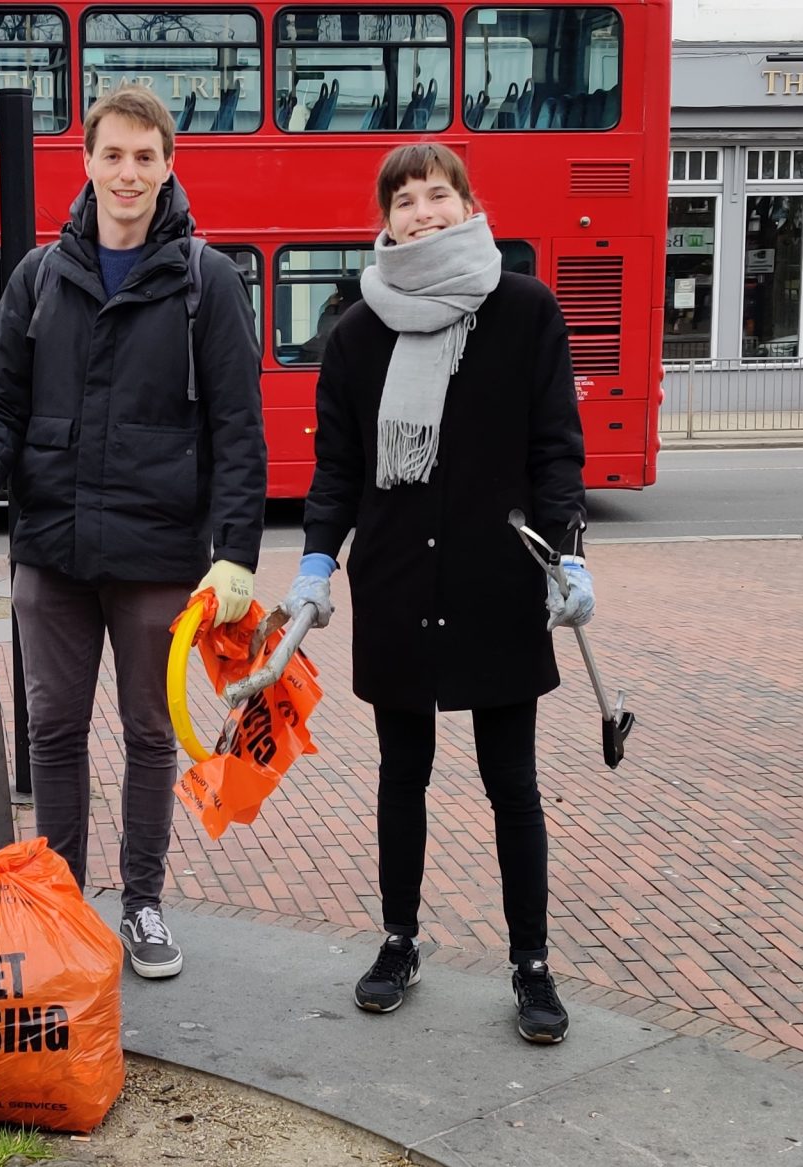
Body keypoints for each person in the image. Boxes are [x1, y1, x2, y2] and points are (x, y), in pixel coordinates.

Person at [0, 87, 265, 981]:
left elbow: (239, 423)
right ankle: (62, 901)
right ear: (85, 162)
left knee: (152, 729)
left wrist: (235, 550)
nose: (127, 173)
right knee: (53, 730)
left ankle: (144, 902)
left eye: (144, 158)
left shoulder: (207, 280)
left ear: (168, 166)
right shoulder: (41, 277)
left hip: (160, 554)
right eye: (112, 155)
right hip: (55, 546)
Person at [282, 143, 592, 1044]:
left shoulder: (526, 311)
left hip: (499, 580)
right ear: (386, 217)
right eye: (406, 199)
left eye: (437, 195)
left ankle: (532, 964)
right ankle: (398, 940)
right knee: (400, 776)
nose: (422, 211)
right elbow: (336, 470)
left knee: (513, 784)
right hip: (397, 580)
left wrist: (569, 554)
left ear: (467, 205)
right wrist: (315, 559)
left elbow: (555, 451)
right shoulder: (354, 332)